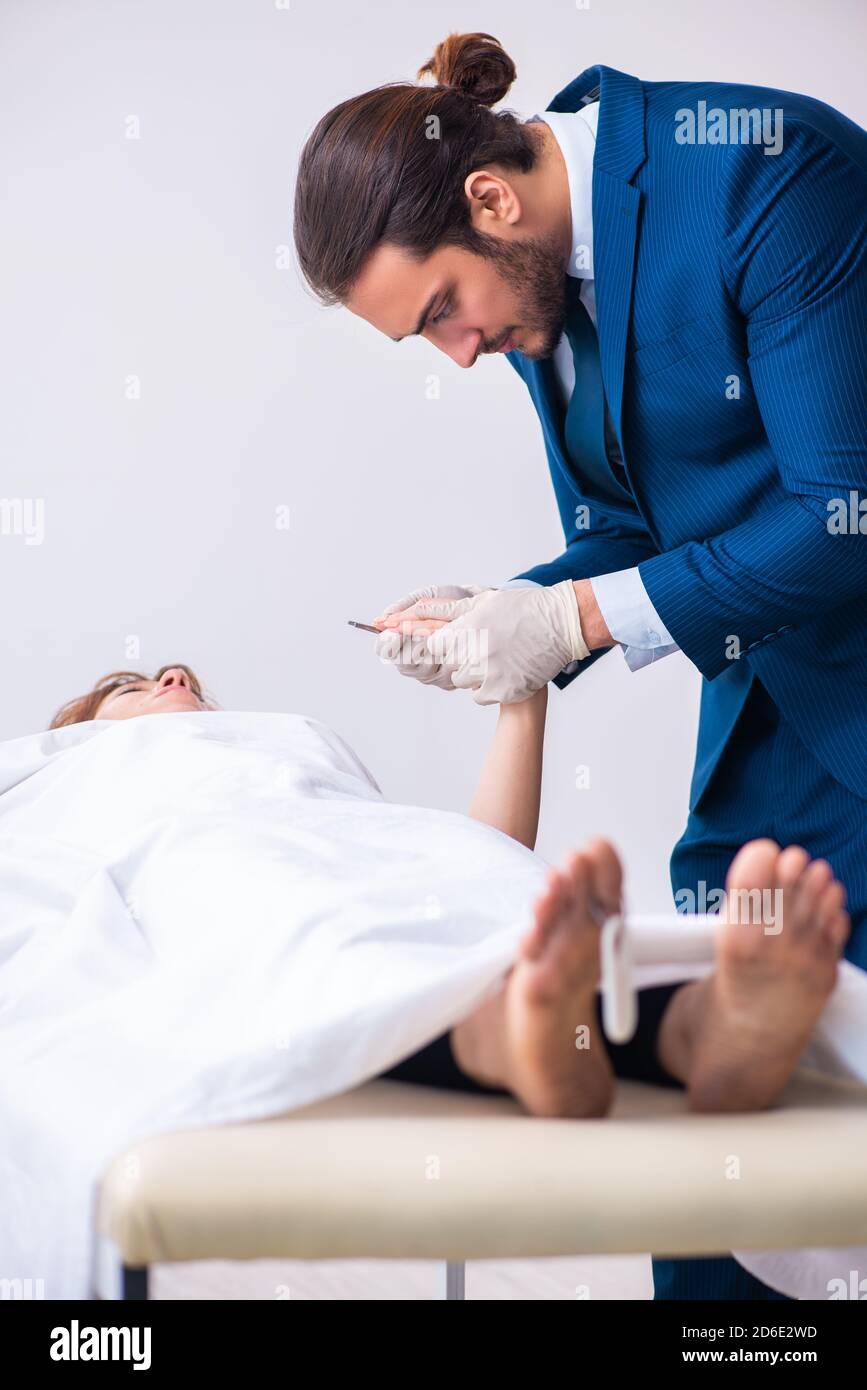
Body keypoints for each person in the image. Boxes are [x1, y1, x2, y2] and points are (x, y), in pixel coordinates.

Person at [293, 31, 867, 1298]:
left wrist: (570, 627)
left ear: (491, 201)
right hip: (766, 739)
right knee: (701, 1153)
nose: (456, 353)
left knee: (820, 1150)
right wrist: (507, 607)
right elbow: (623, 537)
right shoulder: (535, 282)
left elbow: (845, 512)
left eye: (442, 309)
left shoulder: (768, 174)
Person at [50, 664, 849, 1129]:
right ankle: (509, 1035)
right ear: (77, 743)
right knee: (328, 935)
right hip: (228, 865)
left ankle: (703, 1026)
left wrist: (520, 700)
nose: (173, 676)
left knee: (488, 903)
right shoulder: (72, 790)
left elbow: (472, 852)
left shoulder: (293, 745)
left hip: (375, 859)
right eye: (130, 685)